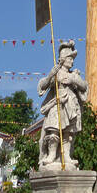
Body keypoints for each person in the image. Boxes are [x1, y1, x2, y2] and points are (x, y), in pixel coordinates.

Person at [37, 41, 88, 169]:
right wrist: (51, 75)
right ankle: (52, 154)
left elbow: (84, 86)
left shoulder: (73, 75)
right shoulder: (56, 73)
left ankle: (66, 156)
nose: (72, 61)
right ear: (63, 59)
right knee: (54, 129)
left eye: (72, 59)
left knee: (68, 133)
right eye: (70, 58)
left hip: (71, 105)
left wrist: (73, 79)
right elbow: (43, 86)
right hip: (57, 103)